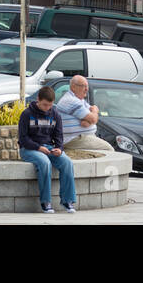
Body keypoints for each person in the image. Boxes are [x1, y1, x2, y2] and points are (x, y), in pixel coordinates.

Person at [19, 85, 76, 213]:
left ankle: (68, 201)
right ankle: (46, 202)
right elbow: (23, 139)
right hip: (29, 149)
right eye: (44, 105)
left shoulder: (55, 114)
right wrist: (38, 148)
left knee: (67, 162)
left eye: (50, 105)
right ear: (38, 99)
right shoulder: (27, 114)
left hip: (49, 148)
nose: (47, 108)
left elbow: (59, 137)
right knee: (44, 162)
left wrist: (59, 149)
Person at [55, 76, 113, 154]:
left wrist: (88, 121)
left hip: (82, 136)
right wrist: (95, 110)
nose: (86, 89)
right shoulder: (69, 100)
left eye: (87, 86)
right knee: (109, 150)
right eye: (83, 86)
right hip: (73, 138)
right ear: (73, 87)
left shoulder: (80, 100)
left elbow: (86, 122)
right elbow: (93, 119)